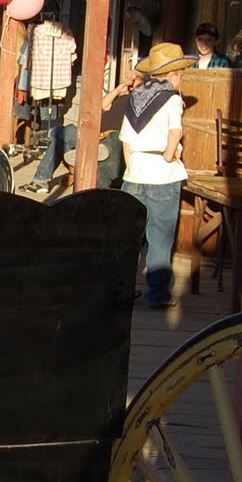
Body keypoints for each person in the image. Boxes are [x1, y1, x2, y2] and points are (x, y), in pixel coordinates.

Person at [104, 41, 196, 308]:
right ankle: (157, 294)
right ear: (172, 74)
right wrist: (169, 154)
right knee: (160, 238)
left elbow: (125, 139)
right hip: (162, 174)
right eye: (179, 74)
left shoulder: (136, 98)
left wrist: (132, 167)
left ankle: (120, 290)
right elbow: (175, 131)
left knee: (128, 235)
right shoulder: (172, 99)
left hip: (136, 172)